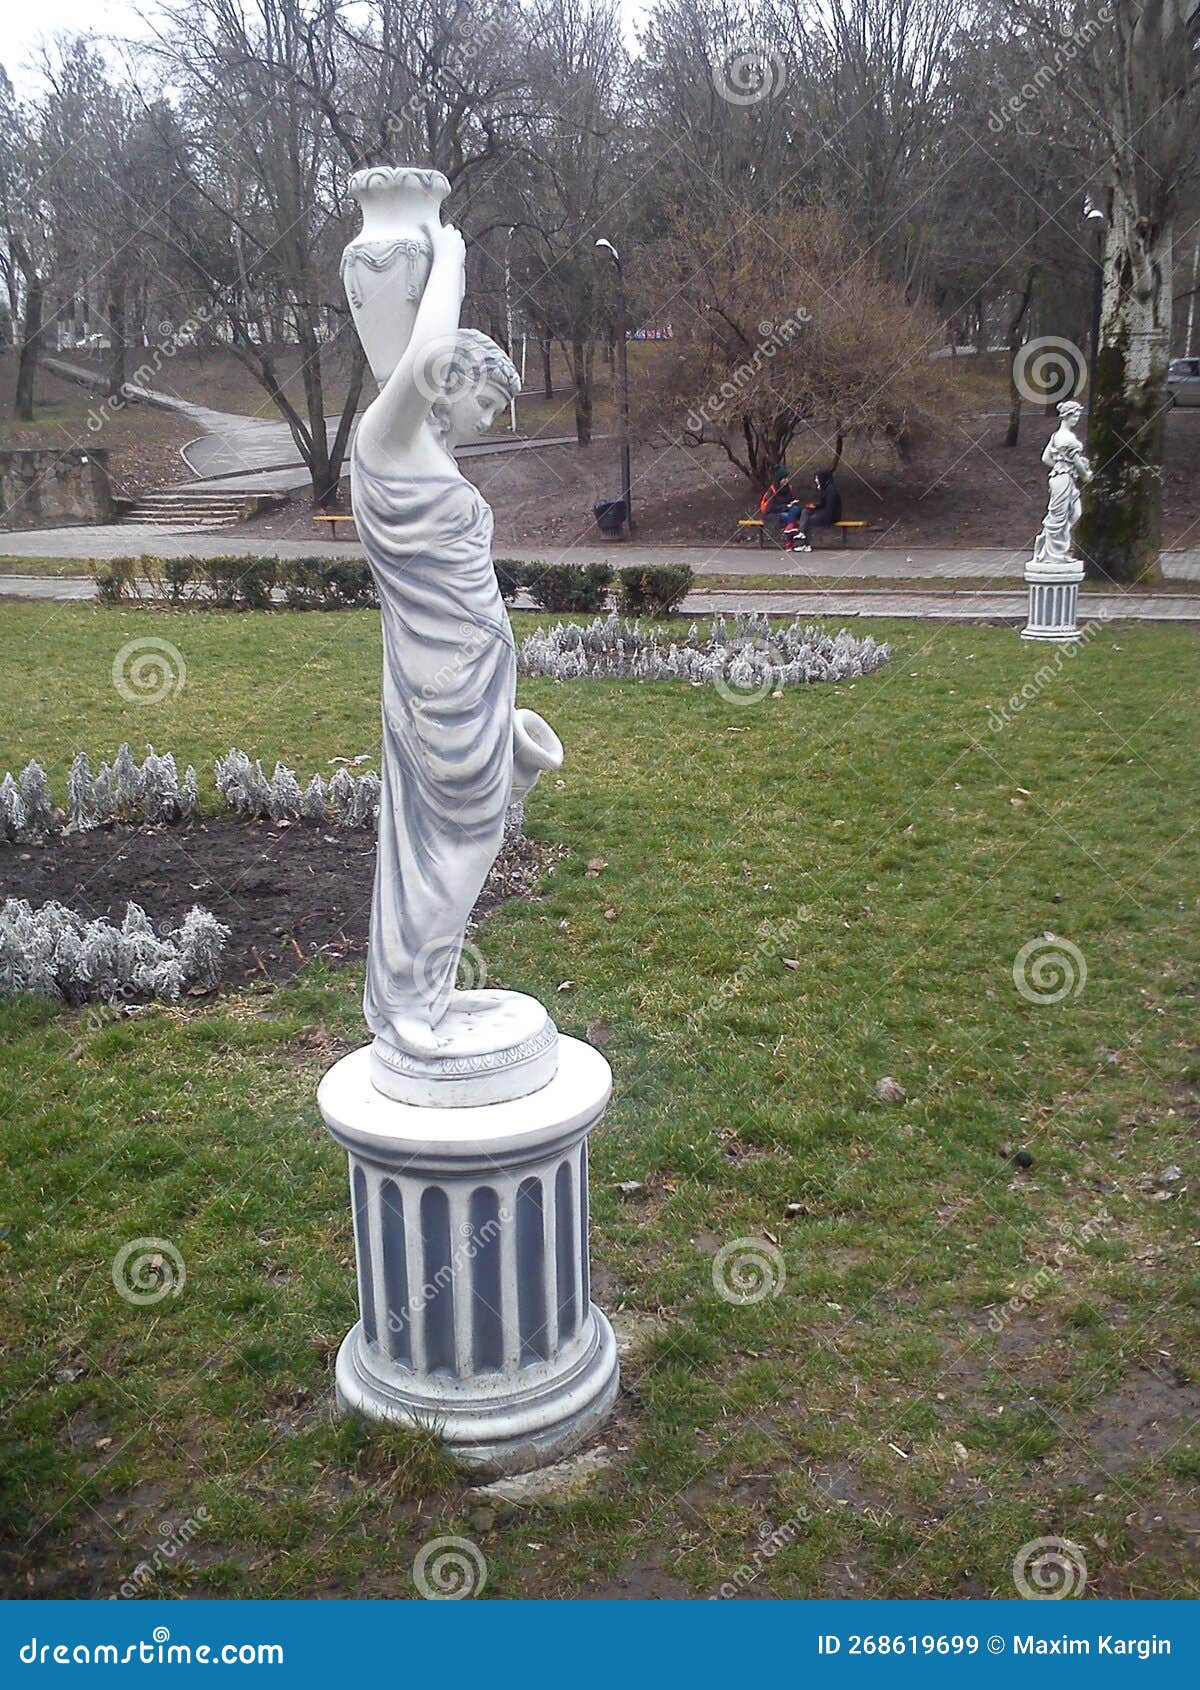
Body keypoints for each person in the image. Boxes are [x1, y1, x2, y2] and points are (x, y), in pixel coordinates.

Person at [783, 469, 842, 553]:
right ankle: (802, 532)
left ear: (822, 478)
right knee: (805, 511)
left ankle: (807, 544)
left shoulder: (831, 490)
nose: (815, 480)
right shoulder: (825, 488)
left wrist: (825, 520)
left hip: (832, 515)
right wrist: (814, 506)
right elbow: (823, 504)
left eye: (817, 478)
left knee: (808, 521)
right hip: (825, 512)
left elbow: (830, 509)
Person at [759, 463, 795, 534]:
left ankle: (791, 532)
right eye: (784, 478)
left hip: (787, 511)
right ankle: (790, 534)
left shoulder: (789, 488)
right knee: (790, 518)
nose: (786, 480)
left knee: (797, 511)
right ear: (779, 480)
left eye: (787, 478)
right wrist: (786, 507)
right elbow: (771, 508)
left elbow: (792, 500)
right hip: (772, 514)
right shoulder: (772, 491)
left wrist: (793, 503)